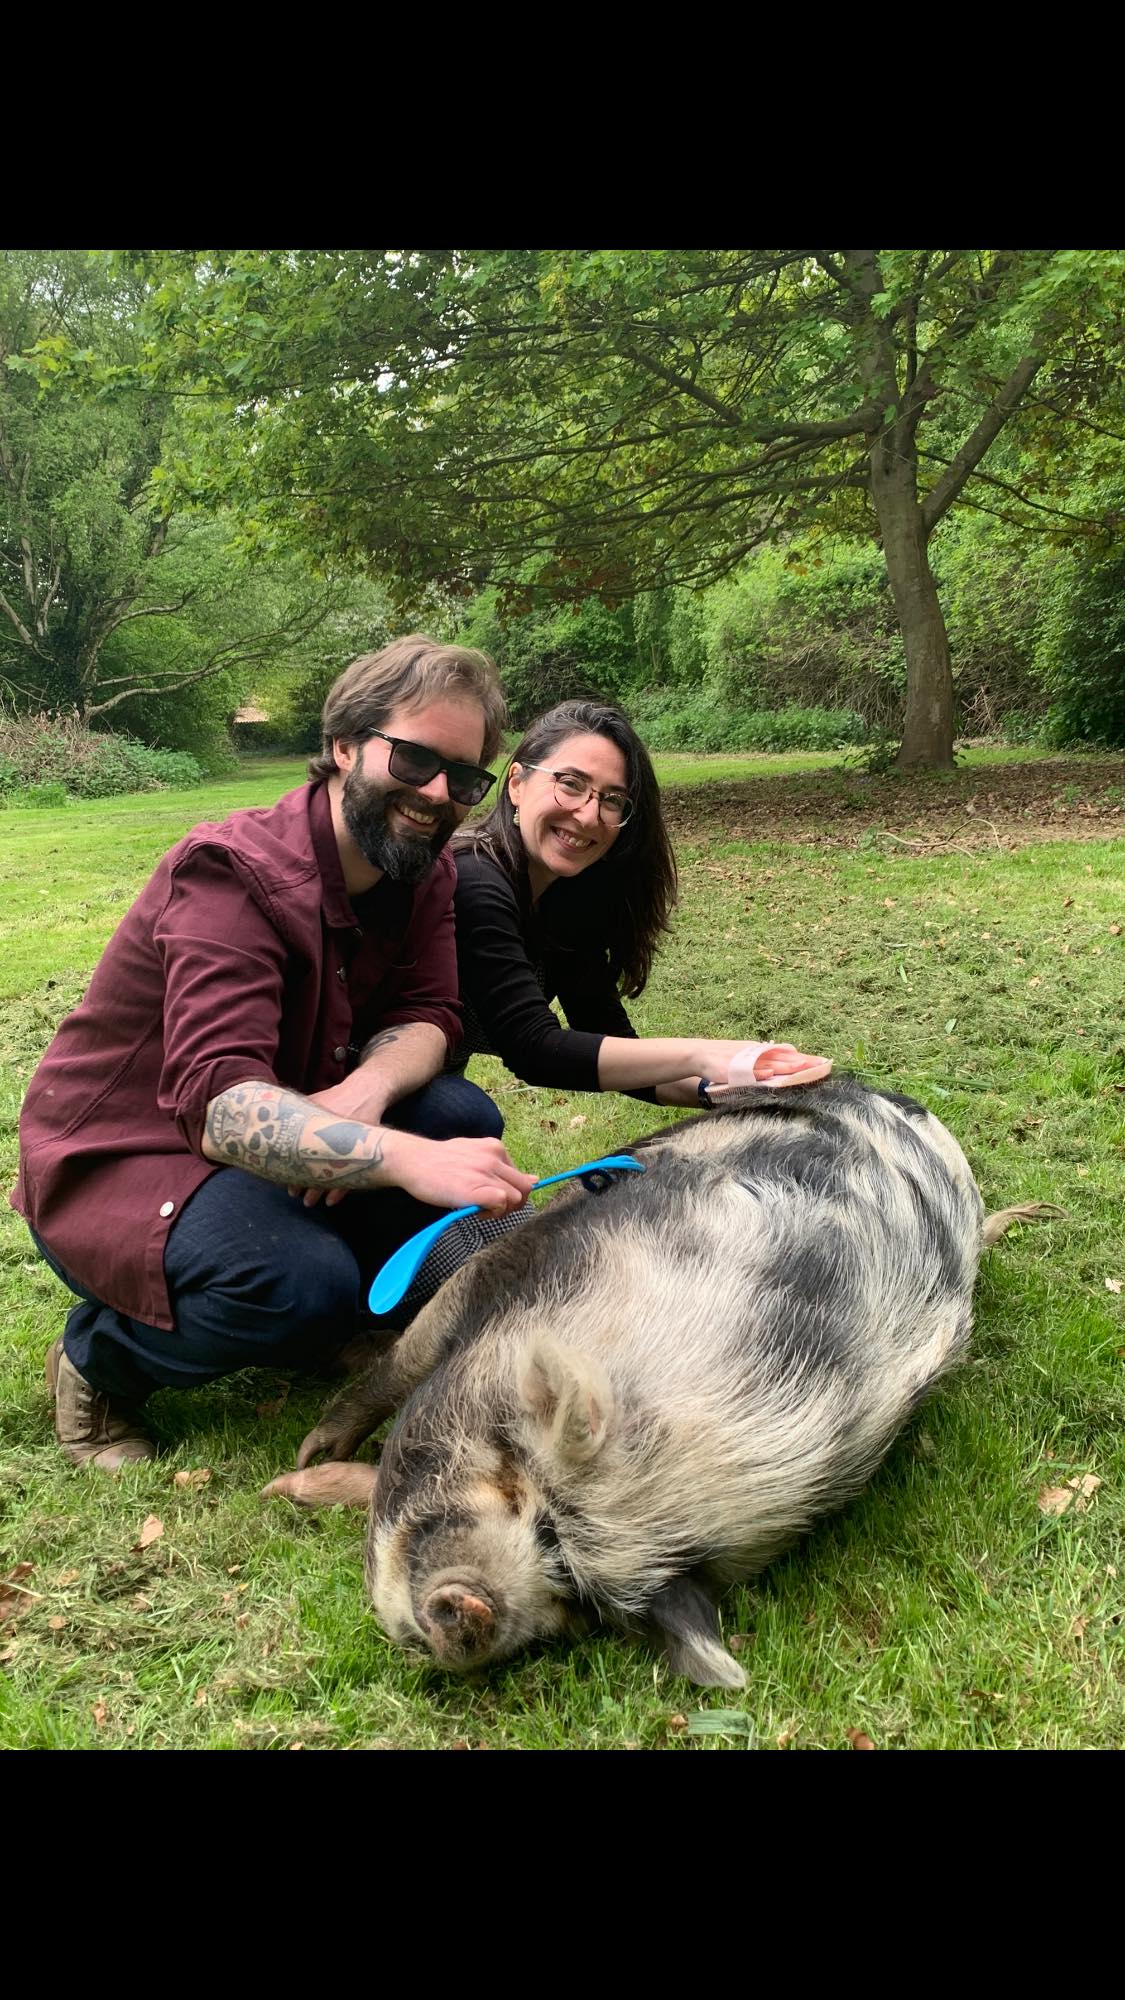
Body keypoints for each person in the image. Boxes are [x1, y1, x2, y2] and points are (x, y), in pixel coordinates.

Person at [11, 637, 539, 1472]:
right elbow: (220, 1103)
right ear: (342, 745)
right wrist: (398, 1156)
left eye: (463, 777)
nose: (437, 794)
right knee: (300, 1281)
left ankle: (339, 1324)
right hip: (126, 1157)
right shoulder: (232, 872)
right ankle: (98, 1363)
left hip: (281, 1116)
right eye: (413, 757)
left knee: (456, 1112)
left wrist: (364, 1093)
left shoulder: (423, 874)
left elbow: (434, 1014)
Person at [451, 700, 831, 1110]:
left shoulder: (564, 900)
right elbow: (534, 1049)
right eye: (570, 784)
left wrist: (726, 1089)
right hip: (380, 1083)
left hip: (436, 1081)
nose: (588, 814)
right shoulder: (474, 880)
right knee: (466, 1113)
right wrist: (702, 1054)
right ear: (517, 784)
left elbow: (611, 1043)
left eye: (612, 800)